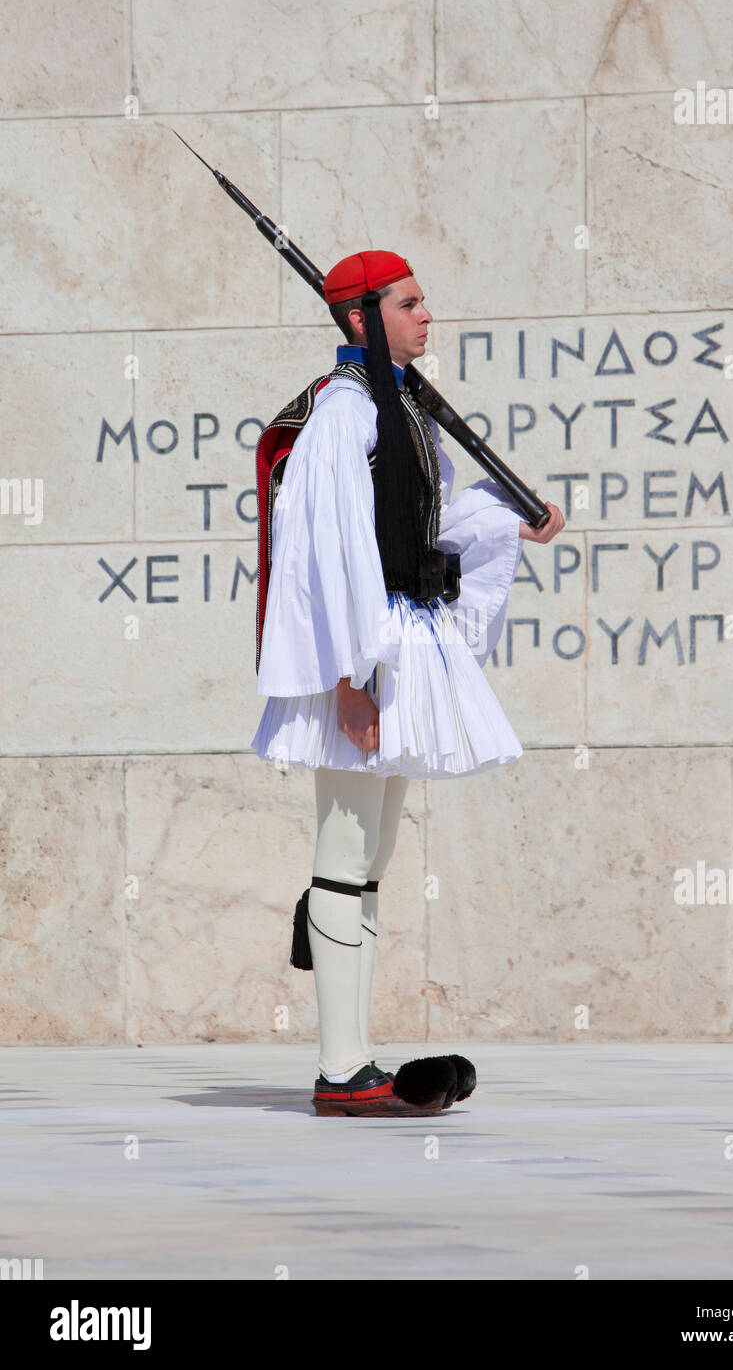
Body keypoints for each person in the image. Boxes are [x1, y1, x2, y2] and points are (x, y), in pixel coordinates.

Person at [251, 250, 564, 1115]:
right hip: (359, 655)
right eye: (409, 303)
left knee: (370, 857)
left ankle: (356, 1057)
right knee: (345, 852)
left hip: (392, 643)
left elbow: (423, 522)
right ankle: (341, 1072)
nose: (428, 316)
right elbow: (330, 555)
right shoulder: (344, 417)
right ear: (360, 318)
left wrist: (510, 514)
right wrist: (350, 681)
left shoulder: (405, 413)